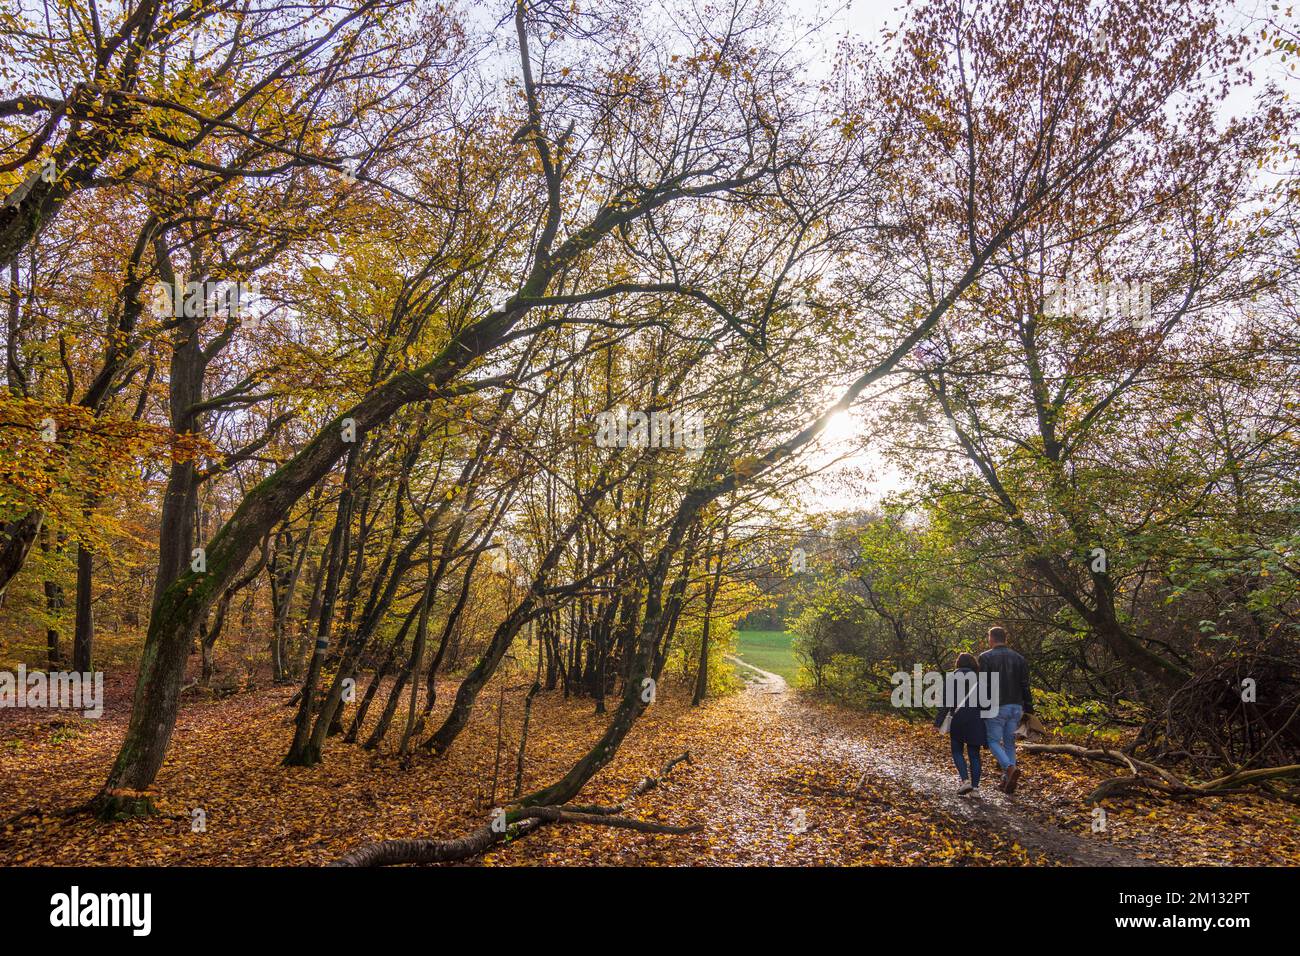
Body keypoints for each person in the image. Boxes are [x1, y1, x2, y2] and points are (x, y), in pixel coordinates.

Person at [978, 625, 1033, 794]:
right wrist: (1029, 707)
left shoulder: (985, 657)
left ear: (991, 638)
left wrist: (981, 707)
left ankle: (1009, 769)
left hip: (996, 705)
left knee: (992, 740)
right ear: (1005, 639)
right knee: (1010, 743)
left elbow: (984, 684)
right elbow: (1025, 685)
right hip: (1016, 705)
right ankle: (1007, 780)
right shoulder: (1019, 658)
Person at [933, 652, 985, 795]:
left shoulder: (951, 678)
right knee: (974, 755)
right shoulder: (980, 679)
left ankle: (965, 781)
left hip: (958, 719)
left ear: (958, 664)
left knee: (957, 751)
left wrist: (937, 722)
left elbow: (945, 703)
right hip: (976, 719)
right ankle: (975, 789)